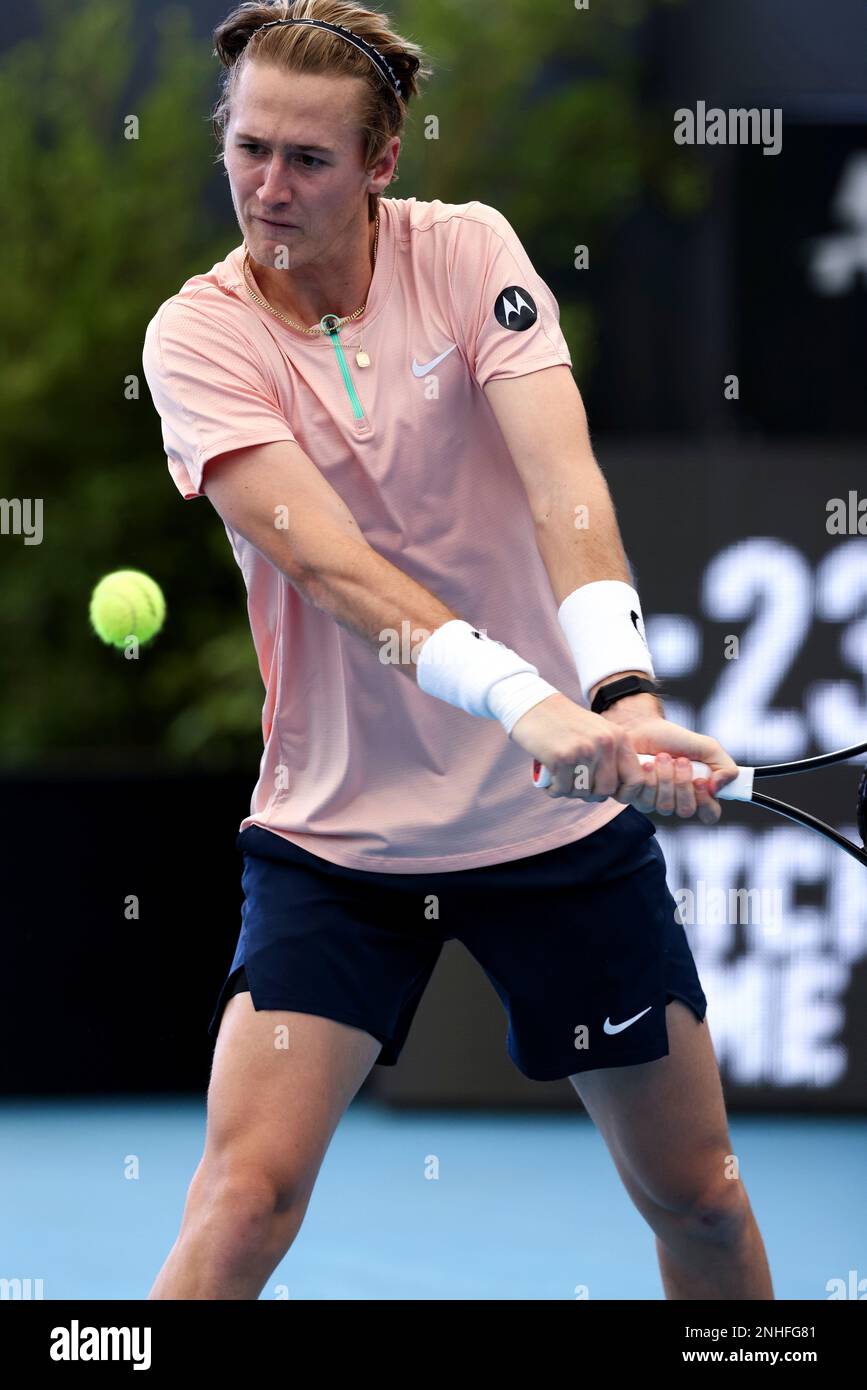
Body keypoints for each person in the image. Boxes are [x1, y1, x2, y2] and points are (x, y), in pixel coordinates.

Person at [142, 0, 773, 1300]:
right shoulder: (196, 337)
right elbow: (329, 564)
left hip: (559, 842)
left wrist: (623, 693)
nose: (267, 187)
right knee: (243, 1200)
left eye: (308, 159)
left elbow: (565, 489)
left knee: (699, 1199)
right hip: (339, 842)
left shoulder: (470, 251)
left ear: (380, 164)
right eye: (248, 147)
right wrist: (534, 706)